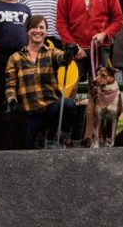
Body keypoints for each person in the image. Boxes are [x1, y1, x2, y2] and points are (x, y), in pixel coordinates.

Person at [55, 0, 123, 146]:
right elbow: (61, 21)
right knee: (71, 89)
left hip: (99, 48)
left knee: (97, 93)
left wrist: (105, 35)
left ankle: (90, 135)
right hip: (75, 49)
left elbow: (118, 19)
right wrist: (71, 44)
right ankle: (66, 134)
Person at [5, 14, 78, 148]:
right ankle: (39, 136)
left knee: (68, 104)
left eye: (41, 27)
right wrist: (12, 100)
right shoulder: (15, 58)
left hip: (50, 109)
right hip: (29, 113)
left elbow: (63, 59)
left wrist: (69, 53)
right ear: (27, 31)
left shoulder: (51, 53)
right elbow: (10, 85)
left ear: (46, 32)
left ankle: (60, 135)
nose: (38, 31)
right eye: (34, 27)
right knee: (26, 148)